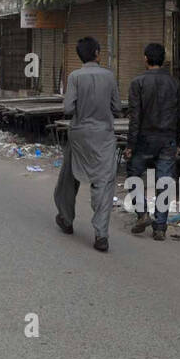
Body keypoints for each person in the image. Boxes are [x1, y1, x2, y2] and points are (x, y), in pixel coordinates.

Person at [54, 36, 122, 252]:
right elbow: (117, 107)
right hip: (103, 135)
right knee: (103, 182)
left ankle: (66, 218)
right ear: (97, 53)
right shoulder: (109, 77)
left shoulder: (74, 77)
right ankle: (101, 234)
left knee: (69, 176)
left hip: (79, 133)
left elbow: (68, 109)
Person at [126, 43, 180, 241]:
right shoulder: (174, 83)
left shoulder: (138, 82)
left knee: (134, 173)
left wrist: (130, 145)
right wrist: (177, 142)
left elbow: (135, 117)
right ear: (163, 60)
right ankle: (160, 227)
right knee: (165, 181)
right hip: (167, 139)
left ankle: (142, 214)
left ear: (145, 59)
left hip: (144, 138)